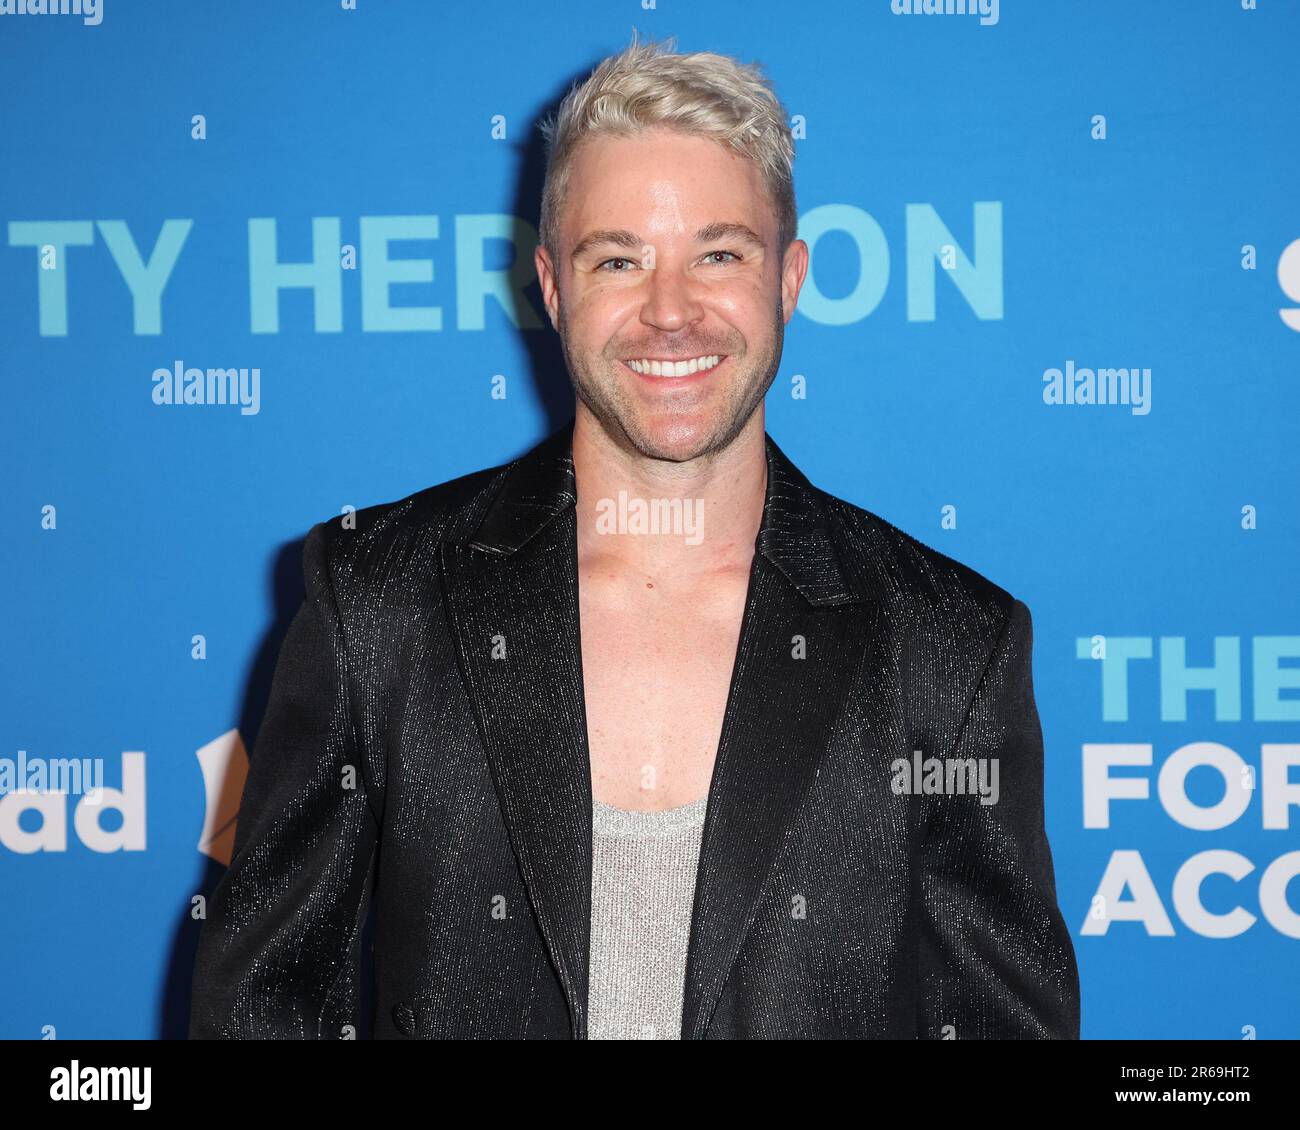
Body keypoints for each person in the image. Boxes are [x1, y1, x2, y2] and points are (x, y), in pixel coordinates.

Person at [189, 32, 1080, 1040]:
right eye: (619, 257)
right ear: (553, 286)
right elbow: (259, 1011)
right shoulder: (377, 598)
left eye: (718, 253)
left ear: (787, 279)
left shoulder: (948, 643)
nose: (670, 312)